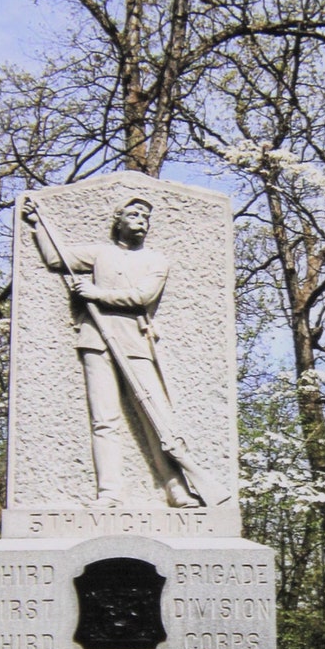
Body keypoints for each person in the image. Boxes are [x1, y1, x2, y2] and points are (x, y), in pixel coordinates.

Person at [22, 193, 200, 507]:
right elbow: (56, 259)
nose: (141, 222)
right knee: (104, 420)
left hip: (134, 340)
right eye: (133, 215)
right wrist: (38, 224)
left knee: (155, 416)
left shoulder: (156, 260)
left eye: (145, 218)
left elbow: (142, 296)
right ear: (117, 221)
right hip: (96, 339)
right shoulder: (101, 253)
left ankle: (175, 486)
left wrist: (97, 293)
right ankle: (110, 492)